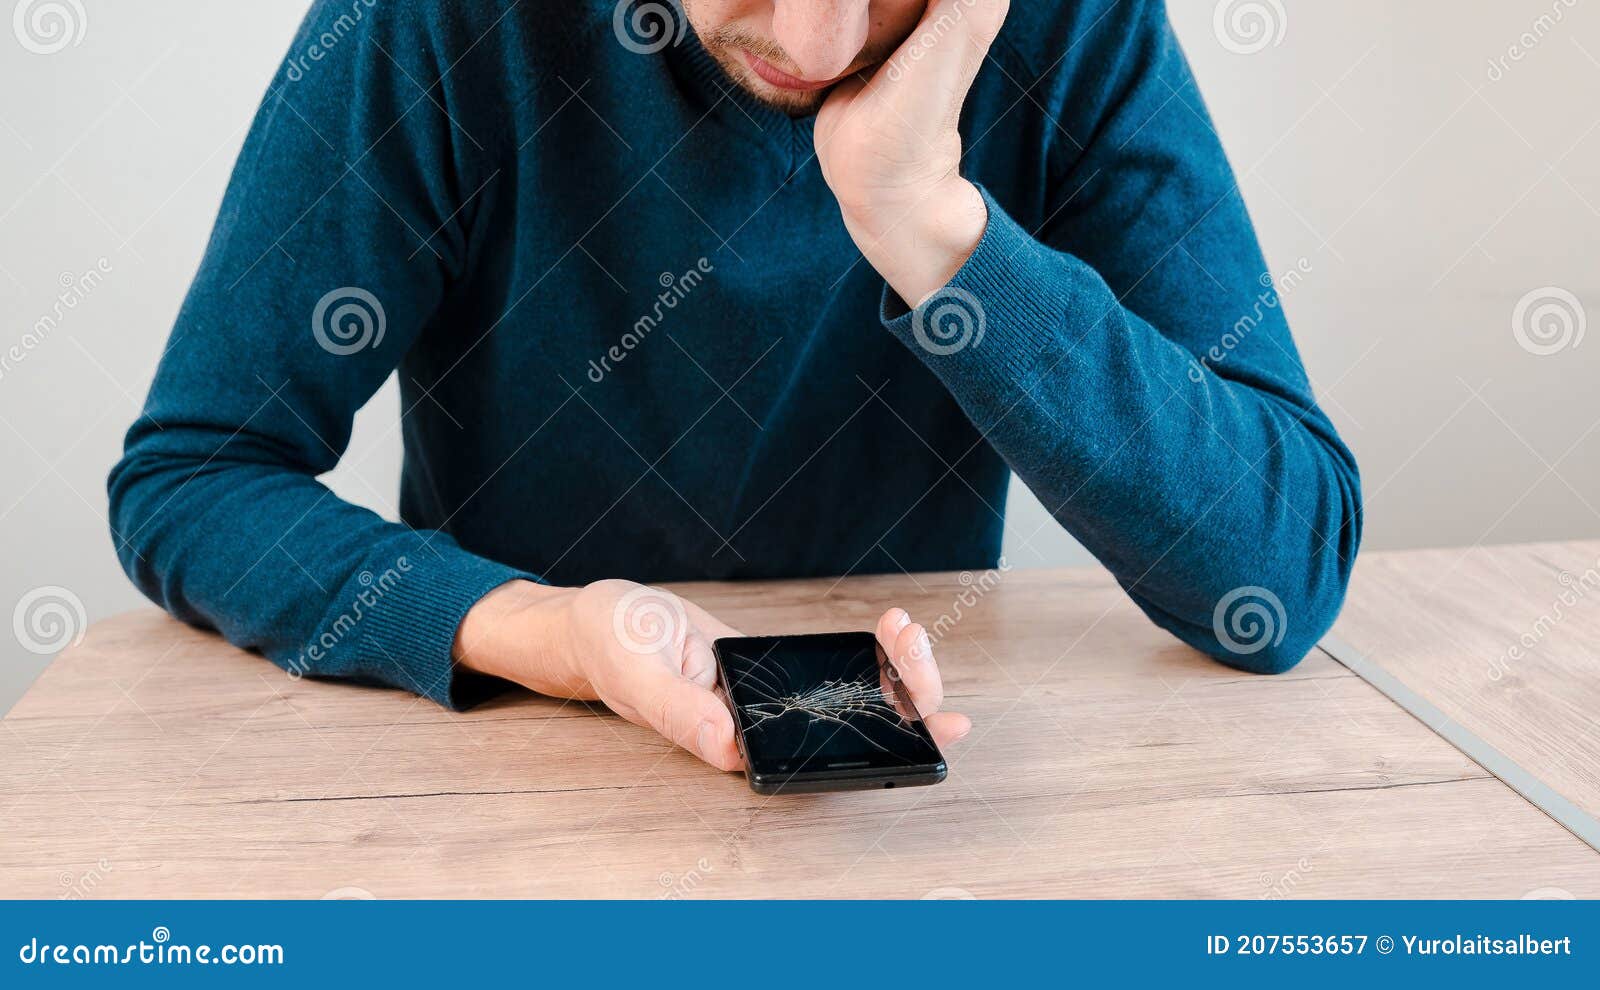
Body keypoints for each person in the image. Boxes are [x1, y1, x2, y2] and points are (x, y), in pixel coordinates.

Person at [108, 0, 1362, 773]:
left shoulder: (1066, 27)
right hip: (508, 778)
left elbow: (1280, 567)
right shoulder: (444, 20)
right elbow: (194, 474)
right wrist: (561, 640)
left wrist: (931, 225)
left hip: (912, 814)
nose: (812, 43)